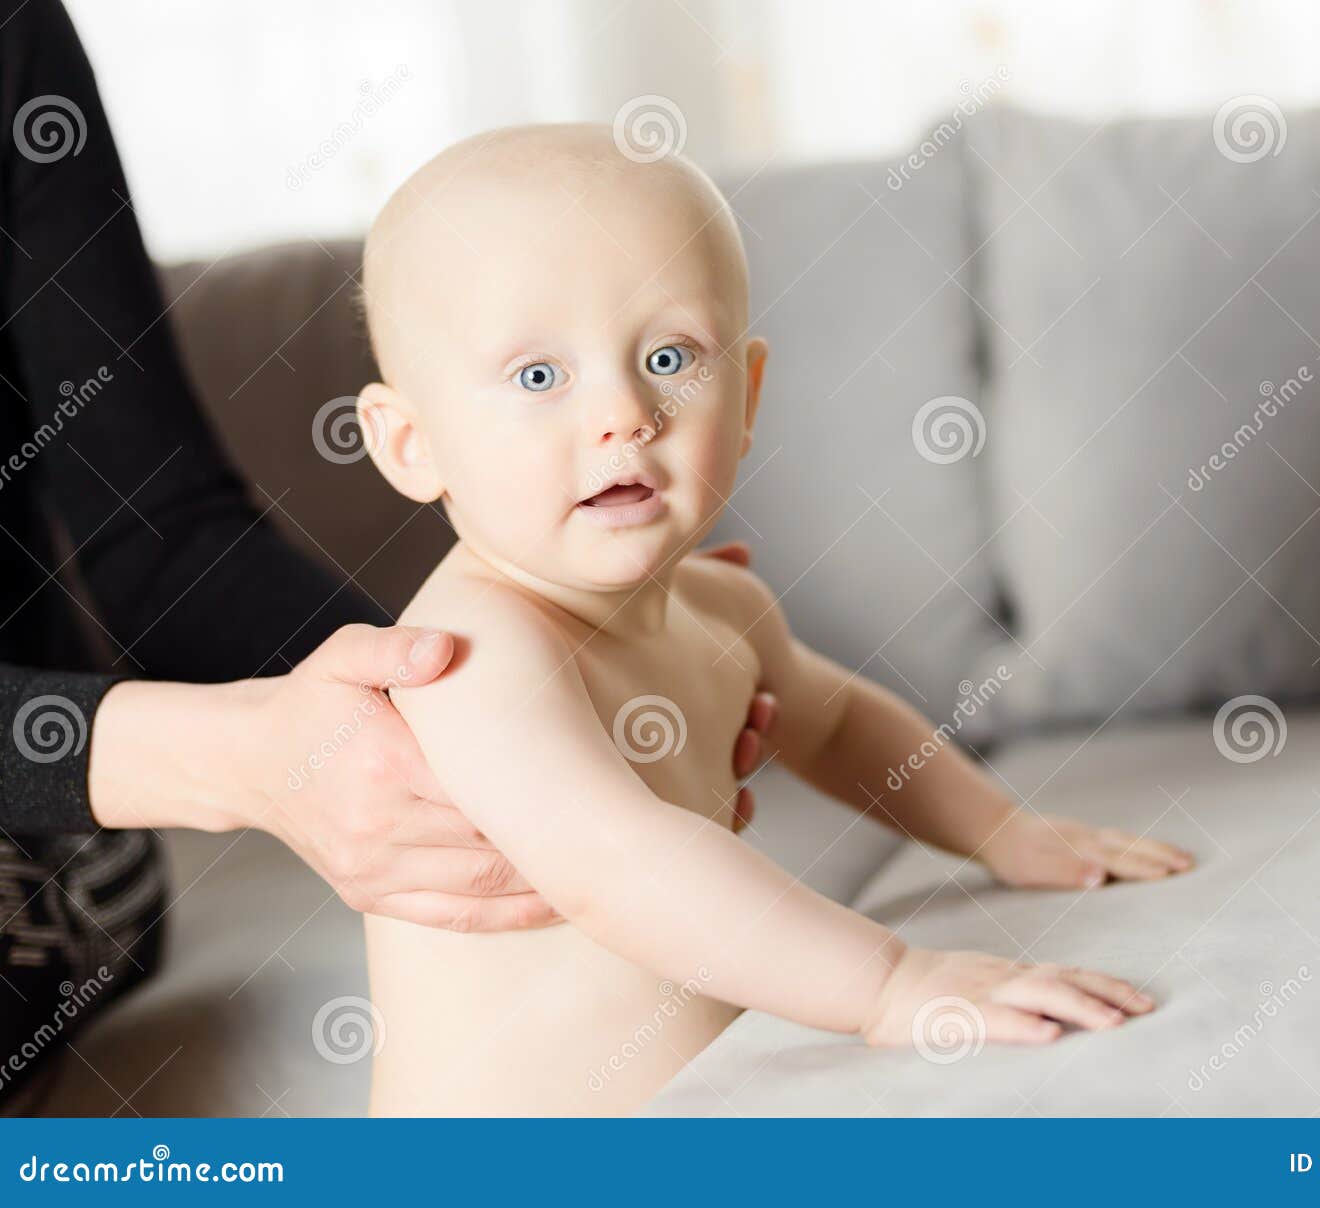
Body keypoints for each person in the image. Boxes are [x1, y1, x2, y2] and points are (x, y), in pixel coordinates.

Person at [0, 1, 775, 1113]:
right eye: (543, 375)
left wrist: (477, 700)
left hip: (54, 869)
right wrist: (243, 758)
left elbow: (164, 540)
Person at [354, 123, 1195, 1115]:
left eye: (669, 355)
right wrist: (890, 980)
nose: (624, 412)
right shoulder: (471, 657)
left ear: (746, 396)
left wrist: (1000, 831)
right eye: (540, 376)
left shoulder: (723, 607)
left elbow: (839, 724)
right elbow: (615, 864)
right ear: (411, 444)